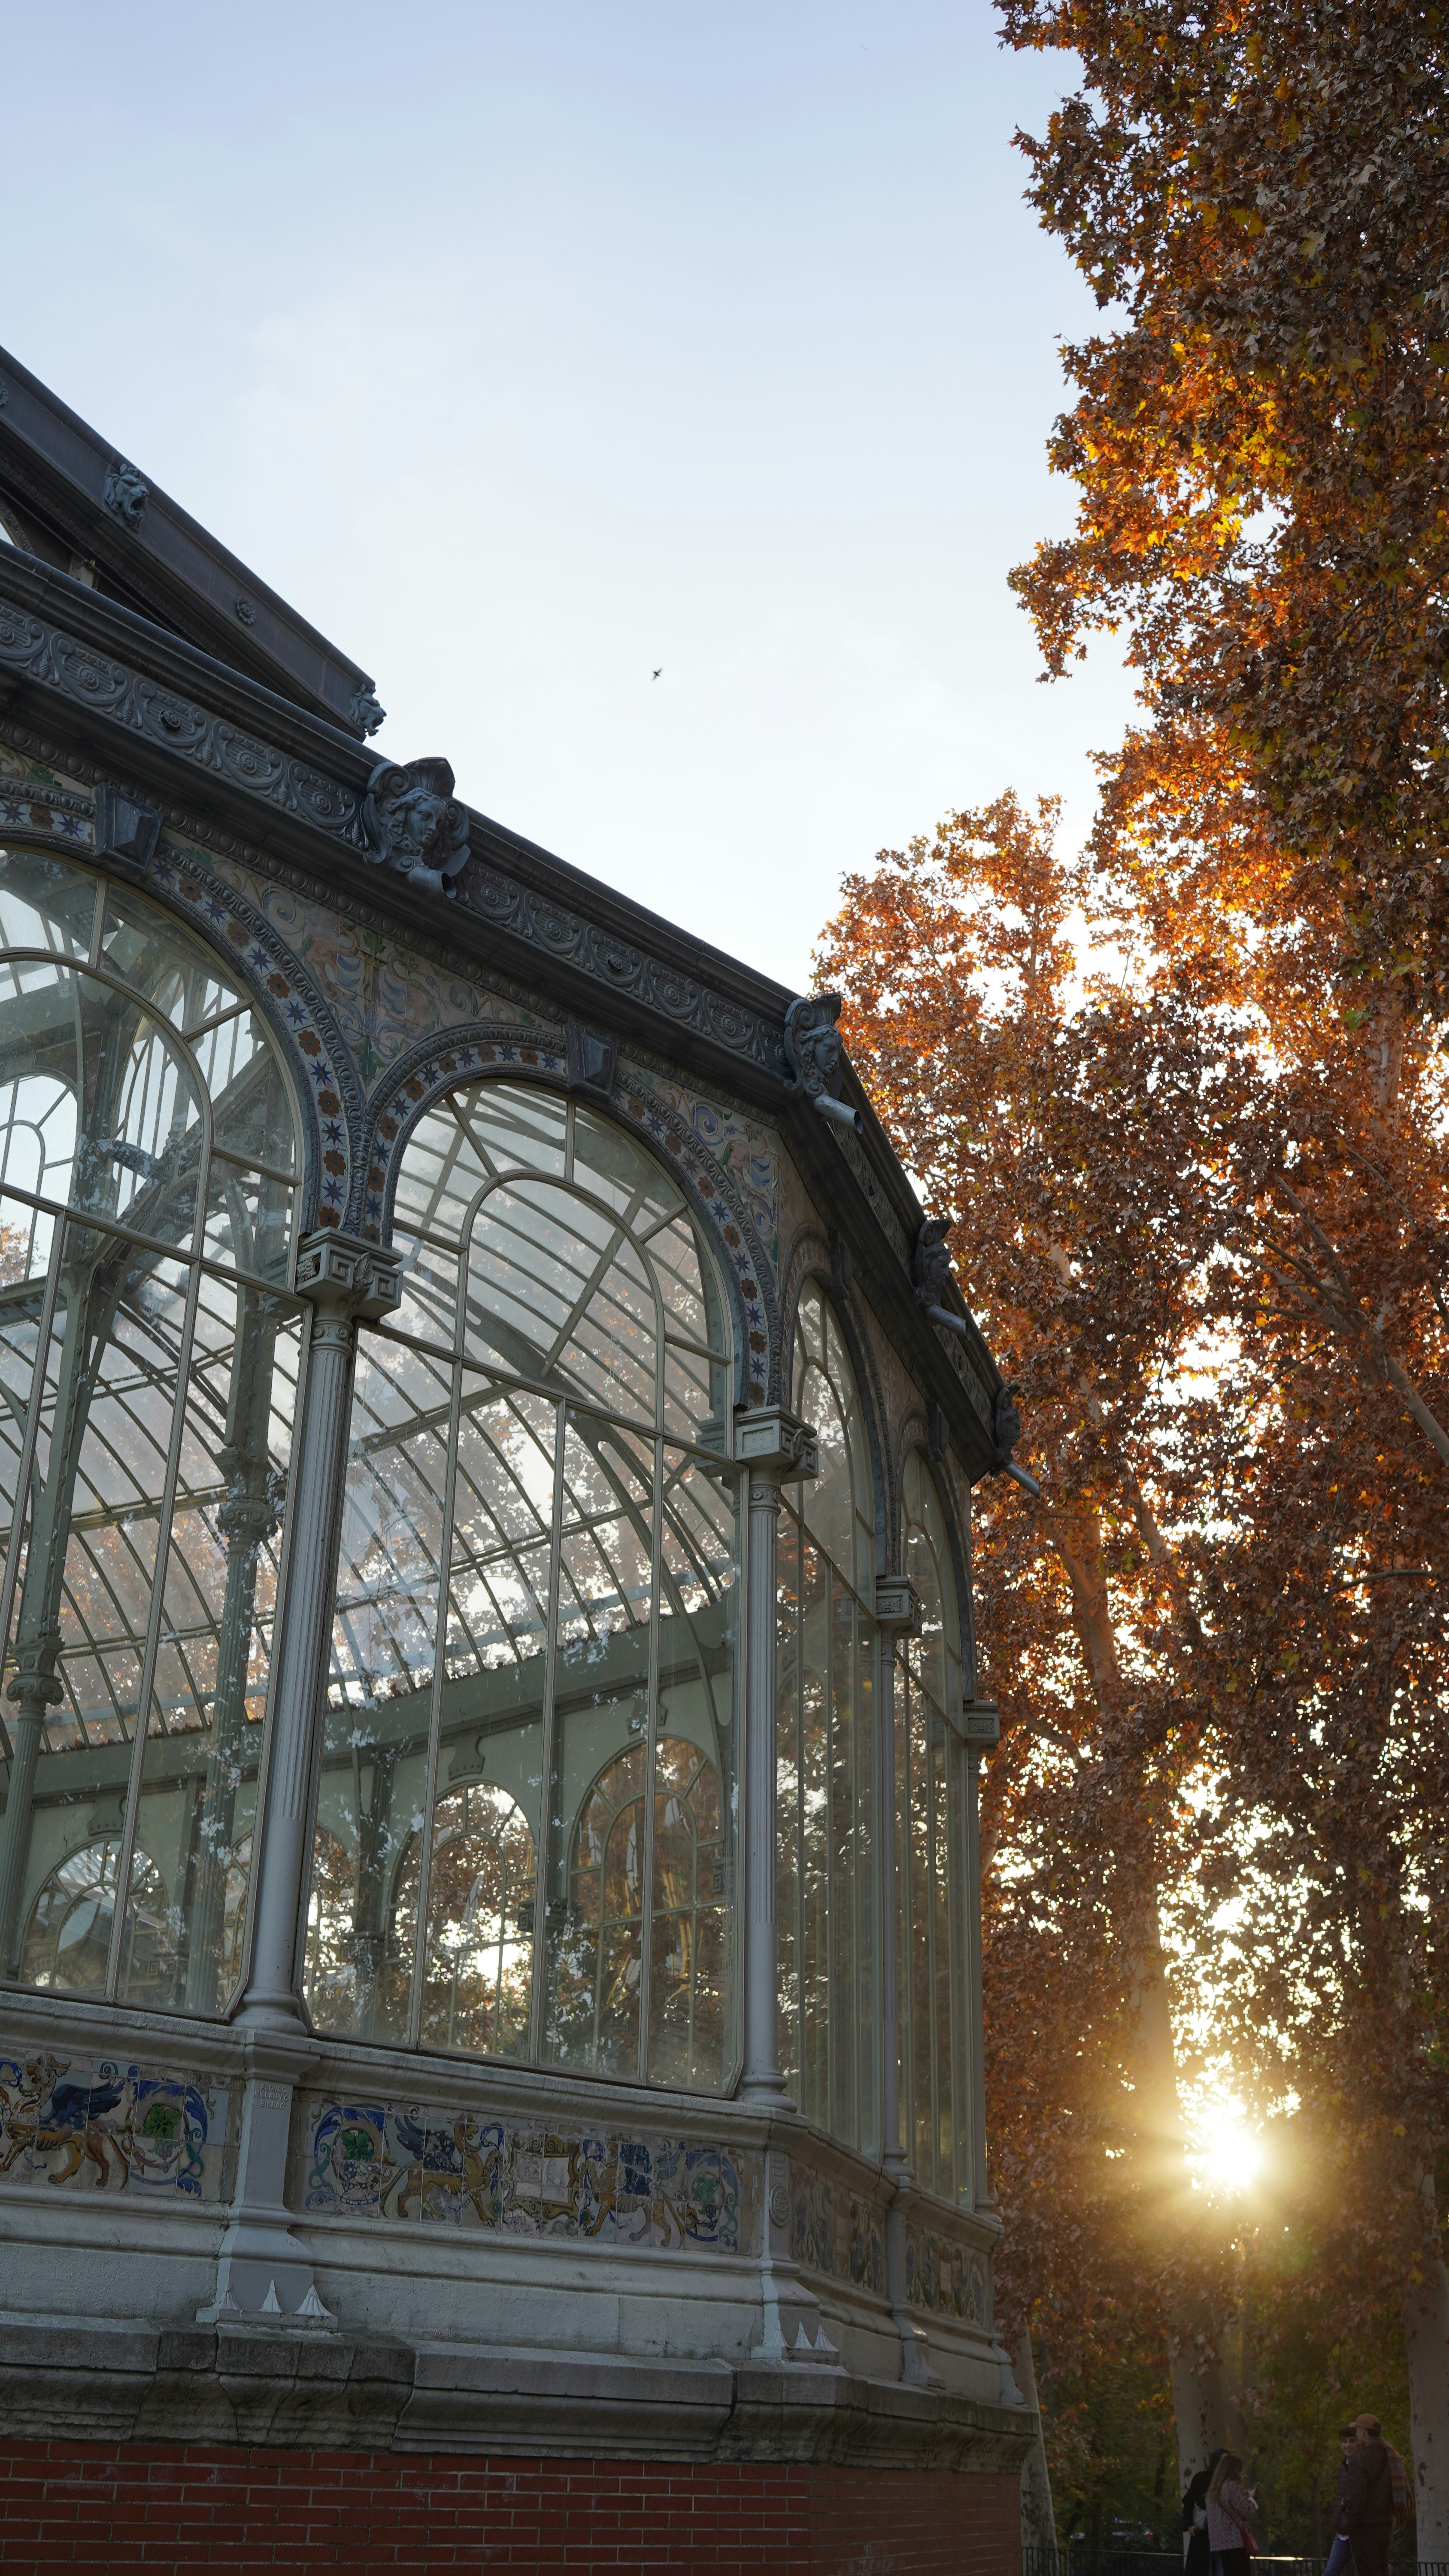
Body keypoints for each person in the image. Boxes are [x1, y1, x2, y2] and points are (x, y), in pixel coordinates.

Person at [1338, 2415, 1396, 2576]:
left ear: (1363, 2432)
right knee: (1381, 2568)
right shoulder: (1391, 2456)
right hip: (1385, 2523)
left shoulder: (1360, 2459)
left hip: (1365, 2526)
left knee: (1367, 2570)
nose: (1356, 2434)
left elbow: (1356, 2498)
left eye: (1357, 2430)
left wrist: (1348, 2522)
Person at [1205, 2451, 1259, 2573]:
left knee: (1228, 2571)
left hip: (1219, 2542)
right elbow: (1246, 2511)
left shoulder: (1213, 2491)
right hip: (1235, 2540)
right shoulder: (1232, 2486)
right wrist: (1250, 2498)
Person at [1323, 2427, 1359, 2576]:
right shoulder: (1343, 2467)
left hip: (1358, 2533)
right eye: (1344, 2442)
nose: (1348, 2445)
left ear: (1359, 2442)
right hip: (1342, 2534)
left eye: (1352, 2441)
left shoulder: (1363, 2465)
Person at [1182, 2449, 1226, 2571]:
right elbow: (1189, 2501)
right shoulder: (1201, 2478)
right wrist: (1189, 2525)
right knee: (1201, 2565)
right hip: (1203, 2531)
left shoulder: (1228, 2482)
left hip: (1222, 2532)